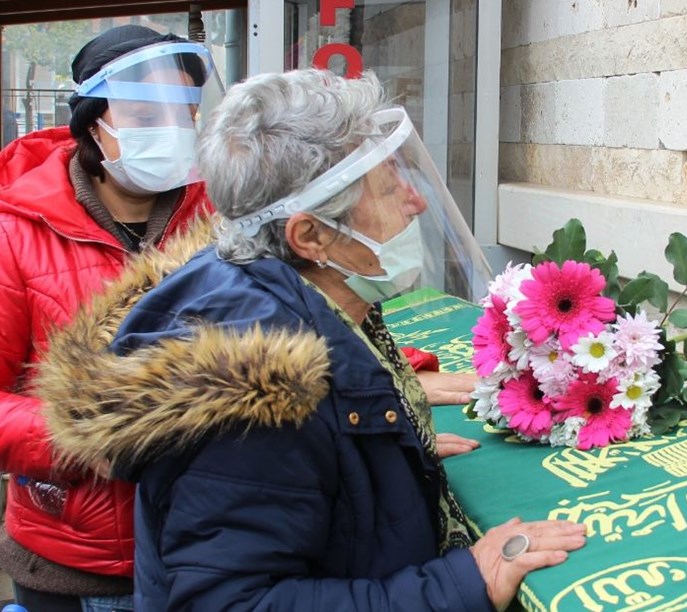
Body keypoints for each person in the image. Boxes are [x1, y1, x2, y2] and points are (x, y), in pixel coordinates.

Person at [38, 68, 587, 611]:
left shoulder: (305, 294)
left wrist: (376, 467)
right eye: (386, 187)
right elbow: (229, 603)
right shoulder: (258, 392)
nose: (415, 201)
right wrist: (458, 585)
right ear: (311, 236)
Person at [0, 25, 221, 612]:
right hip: (79, 561)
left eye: (185, 115)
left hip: (210, 544)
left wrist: (398, 372)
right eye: (146, 116)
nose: (172, 132)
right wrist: (89, 434)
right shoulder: (15, 234)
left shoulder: (223, 216)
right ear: (93, 124)